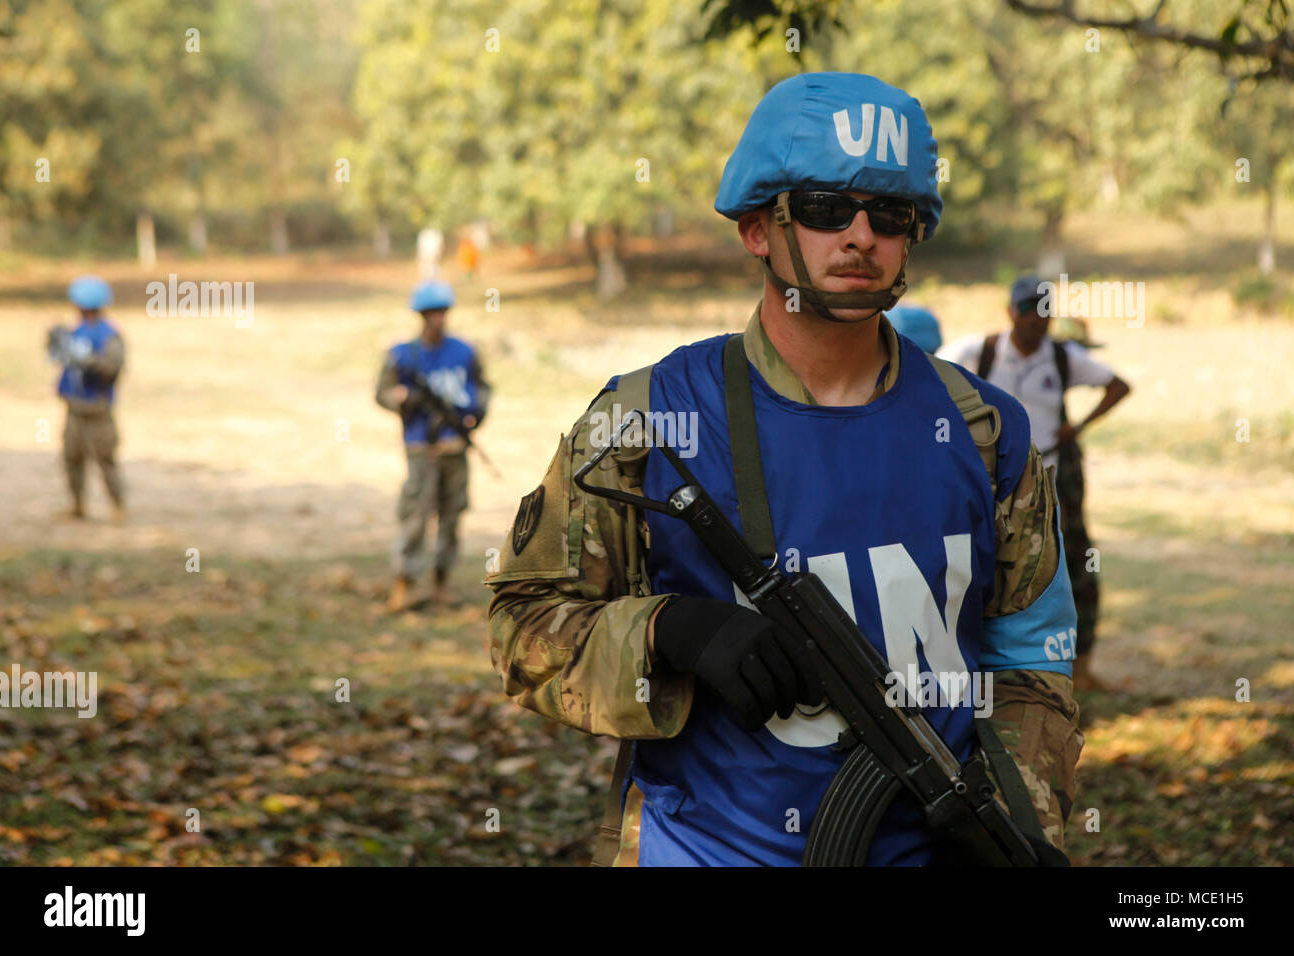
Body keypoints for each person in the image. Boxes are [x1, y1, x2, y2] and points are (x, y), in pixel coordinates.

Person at [486, 73, 1083, 866]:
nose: (861, 236)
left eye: (890, 214)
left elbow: (1031, 661)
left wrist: (1019, 818)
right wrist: (670, 631)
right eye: (827, 209)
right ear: (757, 230)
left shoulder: (983, 431)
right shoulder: (647, 421)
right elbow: (523, 626)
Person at [938, 278, 1131, 692]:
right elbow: (931, 382)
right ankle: (987, 668)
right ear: (1010, 311)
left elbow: (1119, 385)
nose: (1036, 319)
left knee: (1069, 565)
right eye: (1027, 309)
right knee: (988, 566)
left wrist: (1078, 426)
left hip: (1054, 477)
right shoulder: (979, 352)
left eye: (1044, 310)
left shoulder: (1063, 357)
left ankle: (1076, 666)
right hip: (991, 480)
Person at [376, 280, 490, 612]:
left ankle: (442, 582)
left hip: (454, 447)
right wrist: (399, 399)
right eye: (430, 313)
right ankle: (405, 583)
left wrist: (475, 417)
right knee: (415, 515)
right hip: (420, 447)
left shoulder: (465, 351)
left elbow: (482, 389)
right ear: (420, 316)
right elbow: (381, 392)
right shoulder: (402, 355)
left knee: (452, 515)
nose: (436, 318)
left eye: (441, 311)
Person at [53, 276, 126, 522]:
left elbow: (114, 367)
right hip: (74, 407)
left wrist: (89, 361)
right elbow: (61, 360)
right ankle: (77, 505)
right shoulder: (75, 332)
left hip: (98, 408)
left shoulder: (109, 335)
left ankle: (118, 507)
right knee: (72, 458)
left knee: (105, 458)